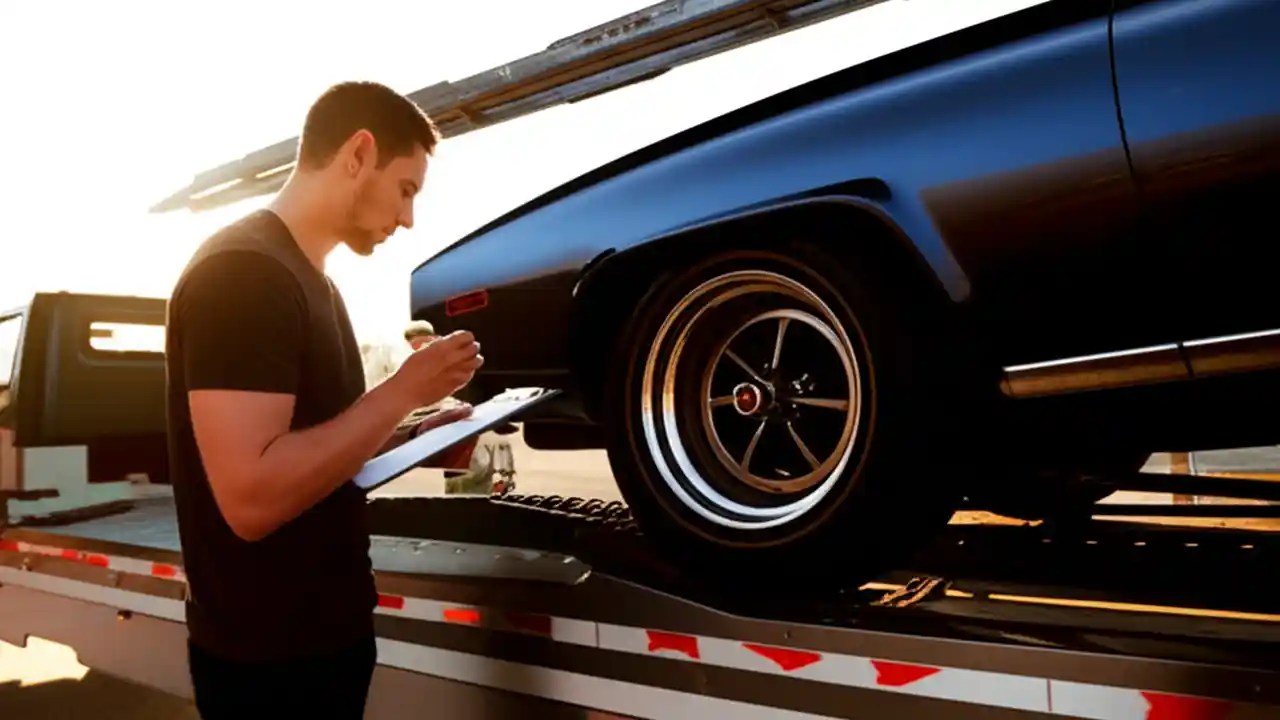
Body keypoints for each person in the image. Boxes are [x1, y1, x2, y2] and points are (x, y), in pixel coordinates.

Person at [165, 81, 479, 719]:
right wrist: (399, 392)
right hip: (266, 664)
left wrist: (411, 436)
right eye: (406, 189)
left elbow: (313, 445)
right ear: (358, 154)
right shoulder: (244, 276)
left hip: (320, 641)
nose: (408, 218)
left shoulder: (313, 282)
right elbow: (252, 498)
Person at [401, 320, 517, 495]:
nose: (418, 346)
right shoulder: (449, 355)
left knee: (467, 484)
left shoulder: (433, 360)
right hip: (469, 428)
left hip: (465, 429)